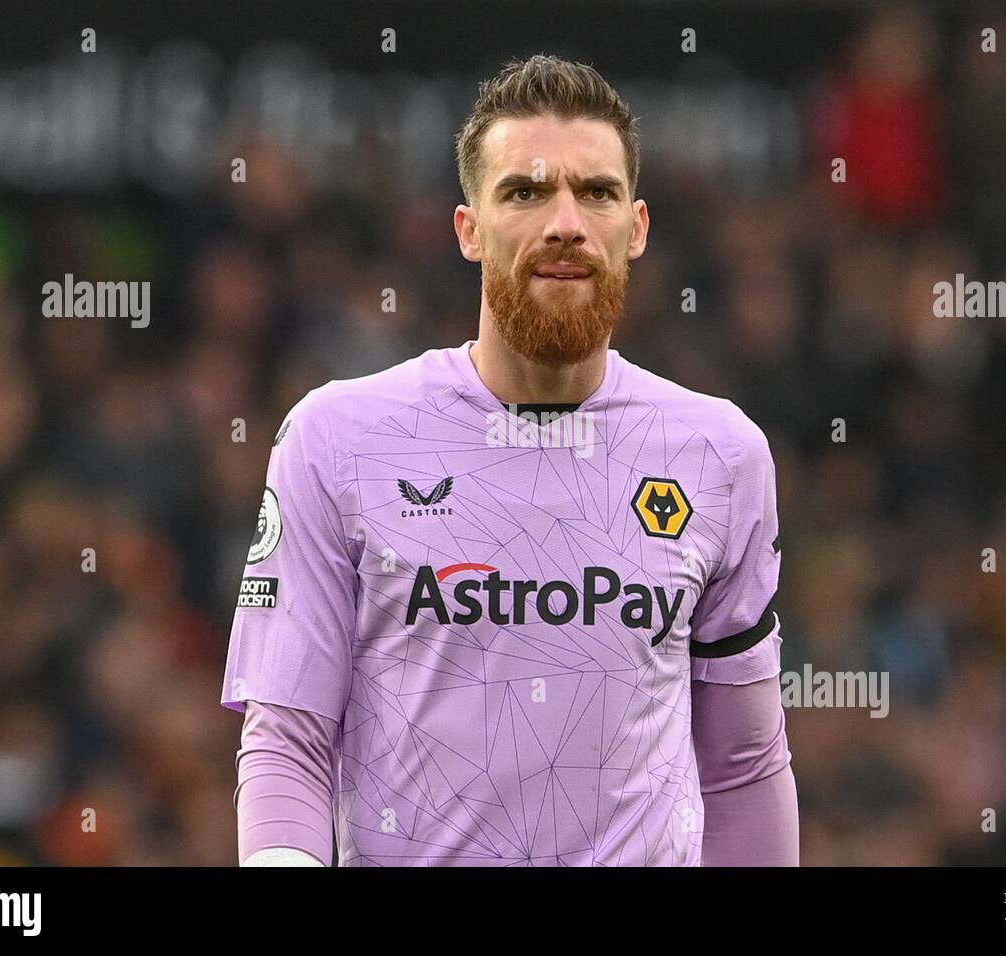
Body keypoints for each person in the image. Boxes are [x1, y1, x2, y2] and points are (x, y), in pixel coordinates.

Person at [222, 53, 798, 866]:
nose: (565, 221)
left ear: (635, 229)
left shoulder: (720, 453)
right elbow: (289, 737)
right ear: (469, 230)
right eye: (525, 192)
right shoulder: (337, 438)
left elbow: (741, 767)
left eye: (595, 192)